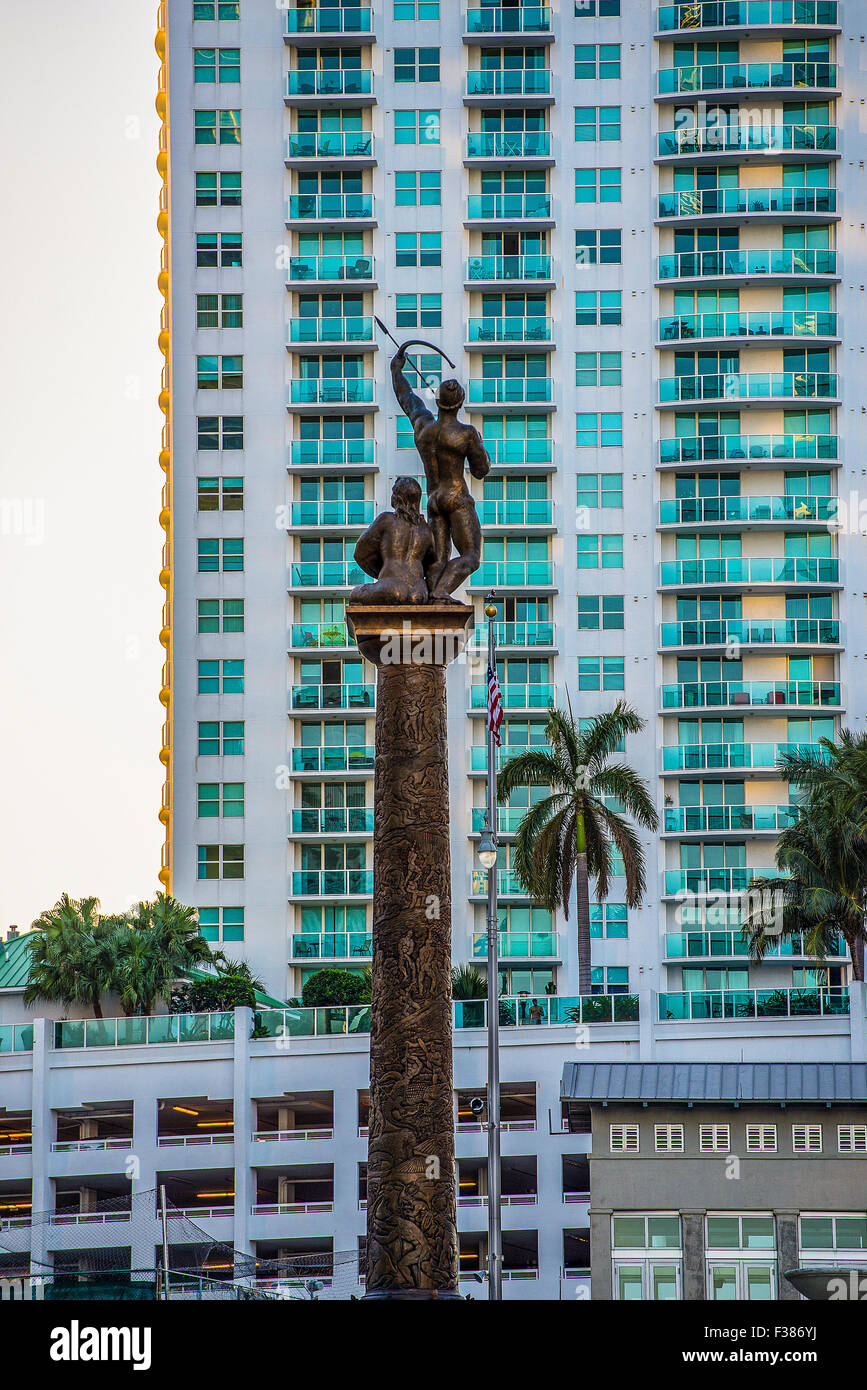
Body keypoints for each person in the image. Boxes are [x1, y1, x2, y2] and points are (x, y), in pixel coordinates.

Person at [390, 347, 491, 601]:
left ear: (438, 402)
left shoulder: (423, 426)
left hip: (434, 499)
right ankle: (439, 591)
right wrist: (478, 444)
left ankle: (434, 600)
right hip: (456, 498)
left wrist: (396, 370)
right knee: (471, 556)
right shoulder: (466, 433)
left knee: (439, 558)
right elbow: (481, 471)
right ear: (459, 404)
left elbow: (407, 397)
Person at [350, 476, 435, 605]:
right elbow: (433, 564)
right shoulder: (426, 529)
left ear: (397, 497)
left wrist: (383, 573)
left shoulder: (386, 519)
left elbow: (360, 553)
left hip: (390, 587)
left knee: (355, 594)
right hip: (419, 592)